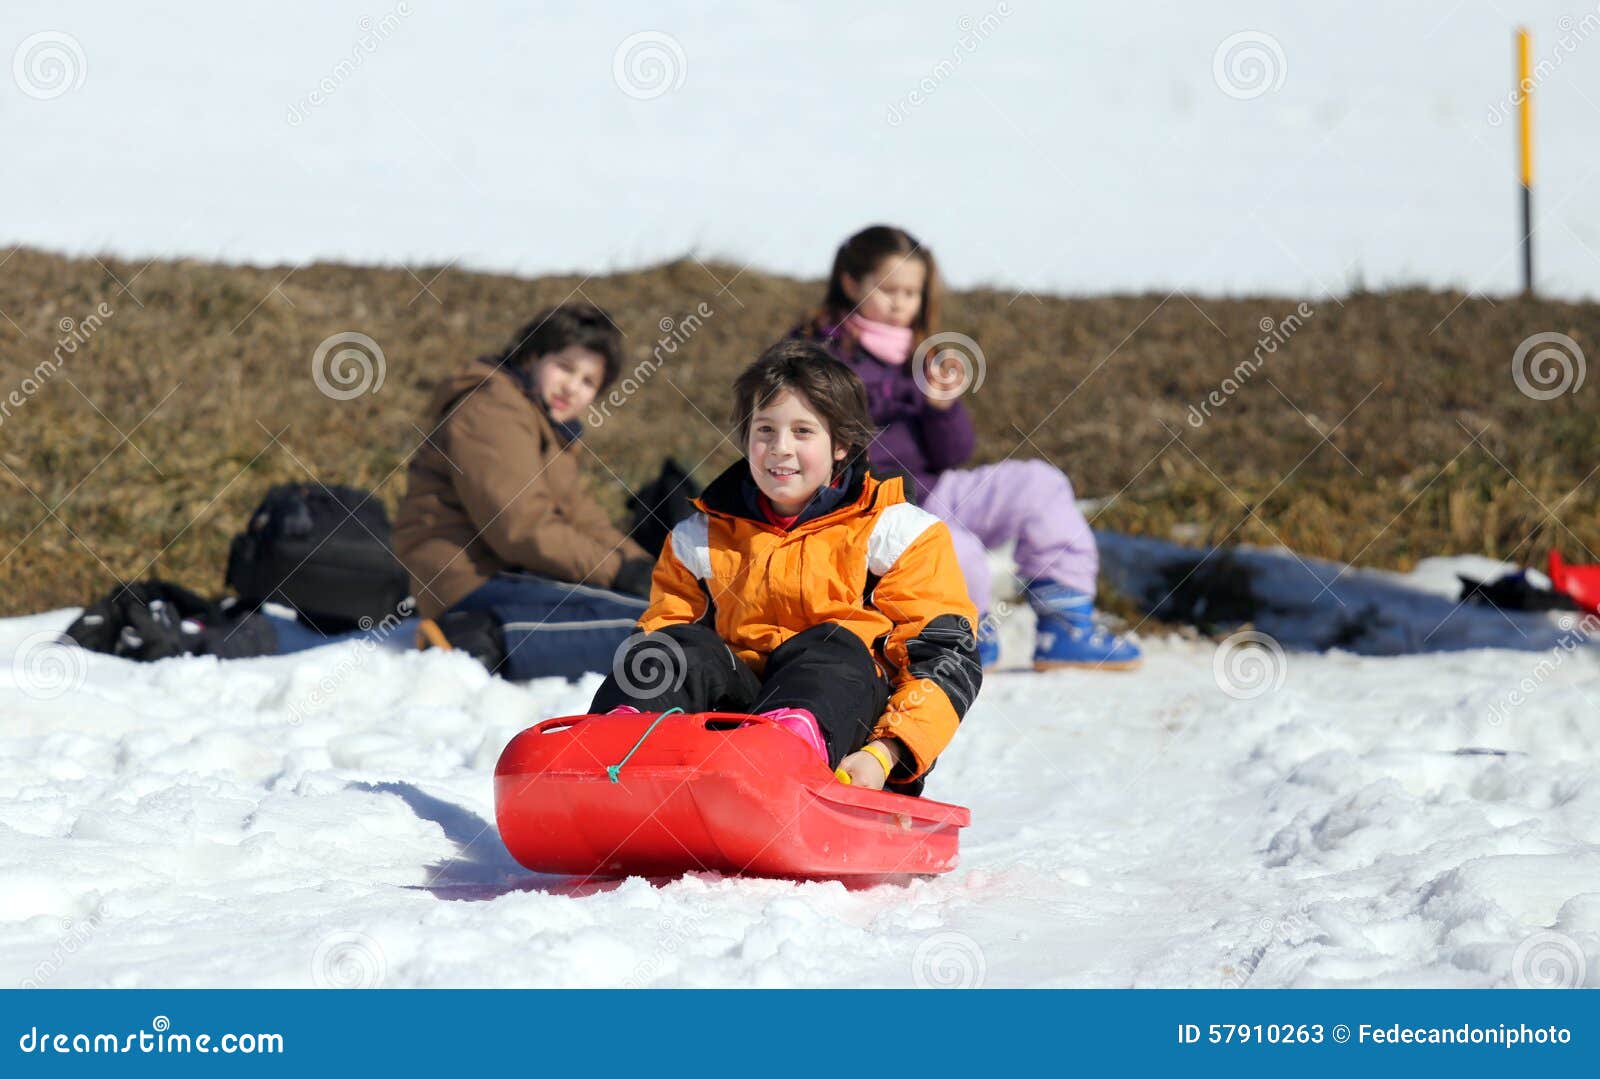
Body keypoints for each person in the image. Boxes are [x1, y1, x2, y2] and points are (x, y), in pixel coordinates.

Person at [589, 340, 981, 794]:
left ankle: (787, 751)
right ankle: (618, 750)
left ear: (842, 444)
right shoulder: (699, 539)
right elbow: (662, 635)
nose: (780, 448)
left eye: (802, 431)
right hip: (730, 734)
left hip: (849, 736)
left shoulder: (898, 533)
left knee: (832, 643)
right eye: (765, 430)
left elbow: (944, 660)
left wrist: (886, 753)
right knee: (678, 645)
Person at [795, 224, 1141, 670]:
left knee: (1041, 483)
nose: (900, 302)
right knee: (957, 550)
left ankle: (1065, 624)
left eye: (912, 292)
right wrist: (913, 393)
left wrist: (942, 407)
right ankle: (963, 636)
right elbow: (844, 403)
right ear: (850, 282)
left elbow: (952, 454)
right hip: (867, 506)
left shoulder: (918, 353)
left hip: (933, 488)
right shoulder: (815, 347)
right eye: (888, 289)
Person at [394, 303, 656, 680]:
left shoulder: (546, 427)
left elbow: (581, 516)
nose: (572, 387)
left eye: (588, 382)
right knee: (656, 629)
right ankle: (483, 638)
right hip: (467, 581)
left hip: (509, 575)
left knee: (663, 610)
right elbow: (519, 527)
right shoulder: (492, 410)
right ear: (532, 356)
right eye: (565, 367)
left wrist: (649, 571)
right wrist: (617, 572)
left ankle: (497, 632)